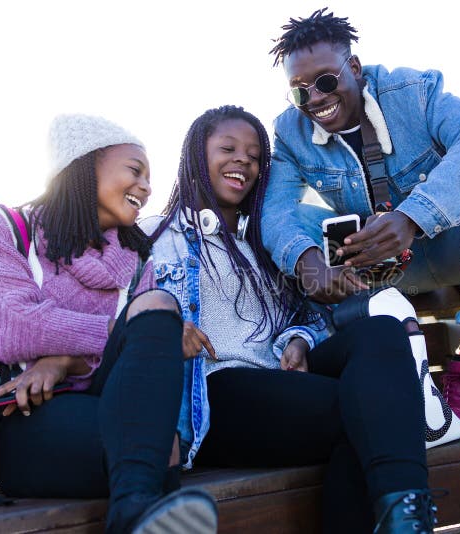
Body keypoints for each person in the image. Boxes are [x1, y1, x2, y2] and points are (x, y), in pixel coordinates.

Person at [141, 105, 436, 533]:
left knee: (380, 332)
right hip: (217, 393)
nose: (244, 160)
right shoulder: (155, 239)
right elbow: (127, 325)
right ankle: (407, 518)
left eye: (255, 155)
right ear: (194, 156)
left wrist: (297, 340)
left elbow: (308, 321)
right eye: (228, 148)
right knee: (368, 414)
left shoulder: (263, 245)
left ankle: (407, 517)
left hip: (279, 383)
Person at [263, 8, 460, 437]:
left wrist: (412, 217)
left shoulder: (412, 91)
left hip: (446, 251)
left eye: (326, 82)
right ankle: (322, 341)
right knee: (281, 219)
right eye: (299, 91)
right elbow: (276, 213)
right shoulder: (289, 133)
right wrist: (307, 261)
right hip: (370, 268)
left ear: (353, 68)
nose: (313, 98)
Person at [0, 114, 217, 534]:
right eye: (135, 171)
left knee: (157, 308)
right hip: (25, 421)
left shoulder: (139, 264)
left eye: (149, 178)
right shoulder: (6, 228)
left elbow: (139, 367)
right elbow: (9, 325)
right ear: (85, 164)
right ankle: (137, 510)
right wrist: (114, 330)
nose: (147, 187)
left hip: (116, 420)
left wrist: (66, 360)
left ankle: (131, 513)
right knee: (154, 443)